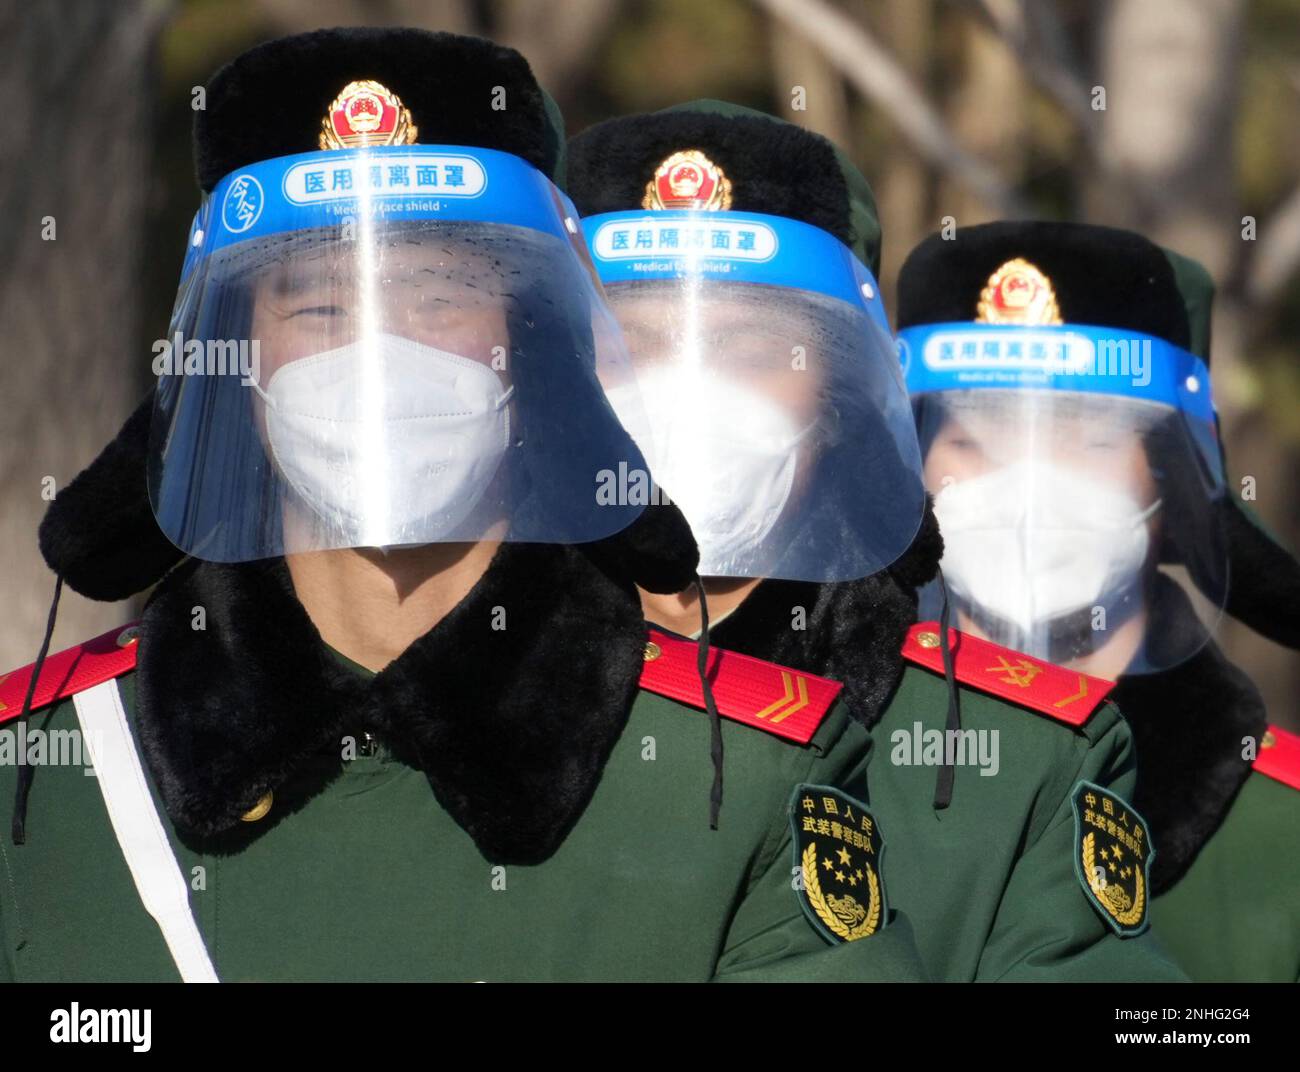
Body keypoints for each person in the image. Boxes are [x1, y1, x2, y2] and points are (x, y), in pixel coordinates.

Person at [1, 27, 935, 983]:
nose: (384, 352)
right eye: (321, 307)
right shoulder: (40, 775)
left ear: (531, 342)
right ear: (239, 360)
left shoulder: (739, 779)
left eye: (441, 294)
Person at [565, 101, 1186, 980]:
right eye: (632, 342)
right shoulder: (436, 705)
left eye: (748, 347)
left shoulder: (1017, 758)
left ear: (842, 392)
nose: (684, 394)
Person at [895, 220, 1300, 981]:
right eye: (973, 442)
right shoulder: (815, 769)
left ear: (1172, 479)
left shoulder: (1282, 835)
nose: (1026, 490)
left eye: (1090, 439)